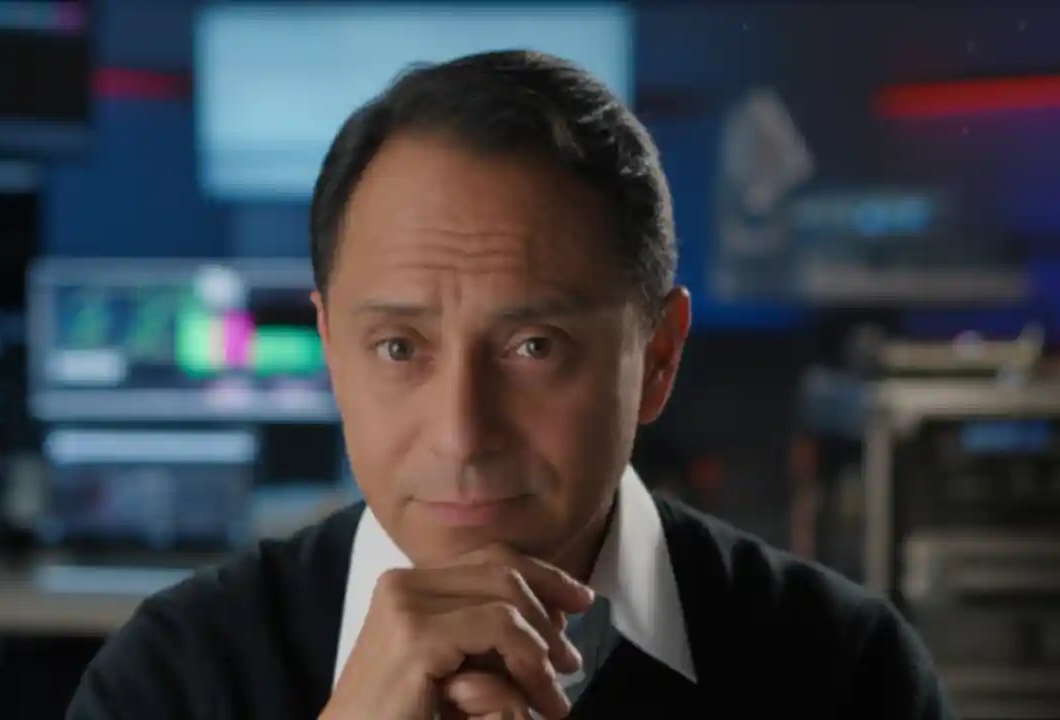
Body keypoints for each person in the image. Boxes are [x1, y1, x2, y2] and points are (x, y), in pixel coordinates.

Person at [68, 50, 952, 719]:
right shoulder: (170, 676)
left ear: (658, 357)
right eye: (399, 348)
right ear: (331, 349)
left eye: (534, 346)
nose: (460, 433)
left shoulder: (846, 672)